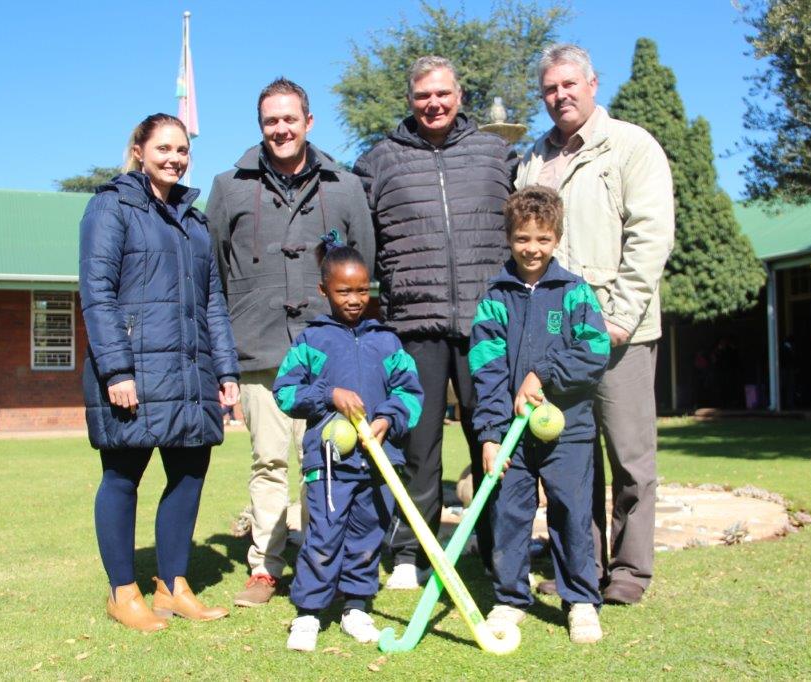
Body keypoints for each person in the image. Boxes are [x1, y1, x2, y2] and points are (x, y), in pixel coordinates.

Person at [206, 78, 376, 606]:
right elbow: (211, 272)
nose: (280, 129)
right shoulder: (229, 186)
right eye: (270, 121)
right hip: (258, 349)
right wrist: (222, 358)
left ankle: (329, 562)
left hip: (330, 352)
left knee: (330, 461)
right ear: (261, 126)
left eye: (289, 119)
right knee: (269, 462)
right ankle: (265, 567)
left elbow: (367, 270)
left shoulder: (345, 187)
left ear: (308, 122)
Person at [517, 44, 675, 605]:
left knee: (630, 458)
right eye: (549, 89)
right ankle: (580, 572)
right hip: (560, 337)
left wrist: (621, 318)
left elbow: (651, 236)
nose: (559, 95)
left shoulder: (631, 147)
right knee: (573, 461)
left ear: (592, 83)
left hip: (617, 333)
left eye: (568, 84)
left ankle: (629, 573)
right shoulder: (533, 160)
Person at [353, 56, 515, 587]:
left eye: (443, 93)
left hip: (485, 326)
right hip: (413, 328)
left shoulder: (496, 155)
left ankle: (498, 557)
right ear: (410, 100)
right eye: (423, 95)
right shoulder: (380, 161)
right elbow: (358, 245)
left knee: (489, 442)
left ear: (460, 95)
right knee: (418, 449)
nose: (434, 103)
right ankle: (411, 555)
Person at [79, 113, 240, 632]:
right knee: (123, 476)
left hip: (191, 374)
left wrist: (226, 369)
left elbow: (214, 301)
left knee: (190, 474)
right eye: (165, 148)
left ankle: (173, 587)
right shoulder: (111, 207)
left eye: (183, 150)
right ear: (139, 149)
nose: (175, 158)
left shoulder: (196, 222)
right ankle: (123, 592)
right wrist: (116, 370)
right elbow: (97, 294)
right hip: (133, 372)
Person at [470, 186, 610, 644]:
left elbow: (595, 351)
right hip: (512, 435)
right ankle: (510, 600)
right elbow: (486, 369)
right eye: (523, 239)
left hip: (568, 430)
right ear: (509, 238)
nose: (533, 249)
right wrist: (490, 434)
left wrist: (542, 375)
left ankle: (581, 601)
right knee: (508, 514)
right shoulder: (495, 296)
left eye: (543, 239)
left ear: (557, 239)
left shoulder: (574, 291)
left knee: (571, 513)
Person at [273, 236, 424, 651]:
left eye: (361, 290)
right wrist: (328, 394)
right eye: (344, 291)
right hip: (328, 464)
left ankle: (356, 607)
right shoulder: (311, 341)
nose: (355, 299)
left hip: (378, 461)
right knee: (323, 537)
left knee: (367, 536)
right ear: (324, 291)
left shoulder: (386, 341)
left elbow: (411, 393)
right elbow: (285, 393)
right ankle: (307, 613)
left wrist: (388, 417)